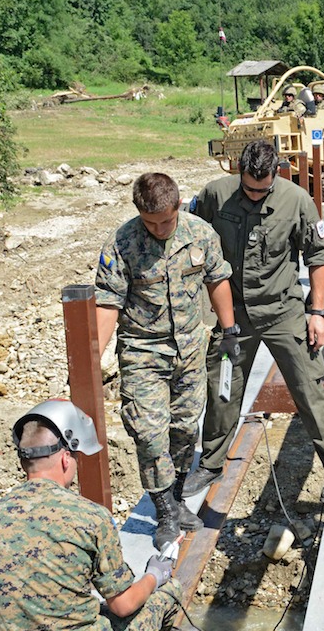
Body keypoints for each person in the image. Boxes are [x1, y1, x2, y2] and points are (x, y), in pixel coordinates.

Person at [0, 400, 199, 631]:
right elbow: (123, 605)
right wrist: (156, 573)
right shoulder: (90, 516)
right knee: (167, 591)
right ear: (66, 460)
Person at [183, 140, 324, 505]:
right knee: (223, 388)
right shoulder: (216, 194)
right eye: (248, 188)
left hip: (283, 311)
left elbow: (317, 256)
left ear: (276, 175)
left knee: (308, 387)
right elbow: (190, 232)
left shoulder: (296, 200)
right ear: (238, 173)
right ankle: (210, 464)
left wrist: (317, 313)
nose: (256, 196)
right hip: (235, 315)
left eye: (263, 189)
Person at [95, 172, 236, 550]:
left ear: (178, 206)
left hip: (189, 350)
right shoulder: (122, 243)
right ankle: (164, 510)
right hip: (143, 351)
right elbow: (108, 302)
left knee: (186, 429)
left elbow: (217, 279)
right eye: (150, 222)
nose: (158, 230)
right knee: (148, 433)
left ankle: (174, 495)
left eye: (166, 221)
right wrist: (95, 355)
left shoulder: (200, 233)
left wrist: (230, 330)